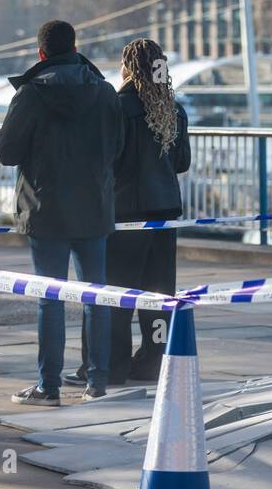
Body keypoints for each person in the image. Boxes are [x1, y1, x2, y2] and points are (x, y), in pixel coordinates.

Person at [0, 20, 124, 406]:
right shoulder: (104, 92)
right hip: (95, 209)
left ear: (41, 54)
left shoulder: (31, 95)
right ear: (74, 47)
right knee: (95, 296)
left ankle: (48, 387)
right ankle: (97, 383)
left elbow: (7, 153)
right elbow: (116, 149)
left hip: (45, 209)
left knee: (49, 298)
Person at [71, 38, 190, 386]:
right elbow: (181, 162)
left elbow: (105, 159)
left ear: (128, 68)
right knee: (157, 295)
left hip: (126, 214)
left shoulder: (117, 106)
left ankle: (109, 366)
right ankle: (154, 362)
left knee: (115, 295)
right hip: (165, 213)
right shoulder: (174, 109)